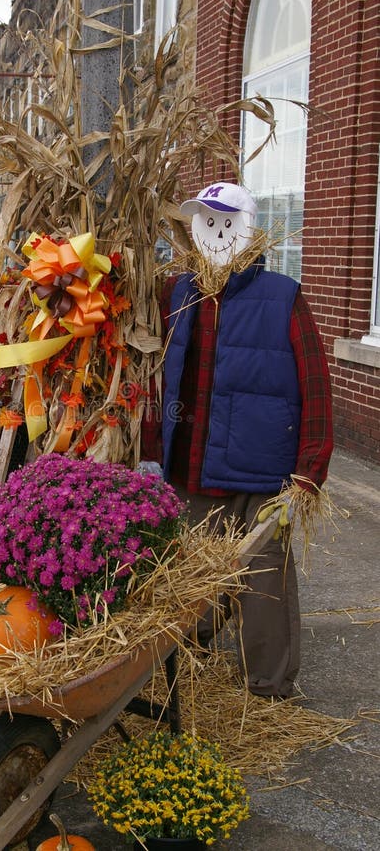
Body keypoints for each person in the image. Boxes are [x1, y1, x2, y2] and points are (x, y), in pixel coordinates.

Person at [141, 181, 333, 699]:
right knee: (190, 581)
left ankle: (270, 689)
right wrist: (151, 451)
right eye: (206, 223)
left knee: (264, 584)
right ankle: (191, 666)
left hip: (262, 475)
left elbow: (315, 387)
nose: (217, 234)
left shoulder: (283, 299)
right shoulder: (176, 294)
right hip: (192, 467)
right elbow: (156, 376)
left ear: (249, 231)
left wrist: (308, 474)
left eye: (227, 223)